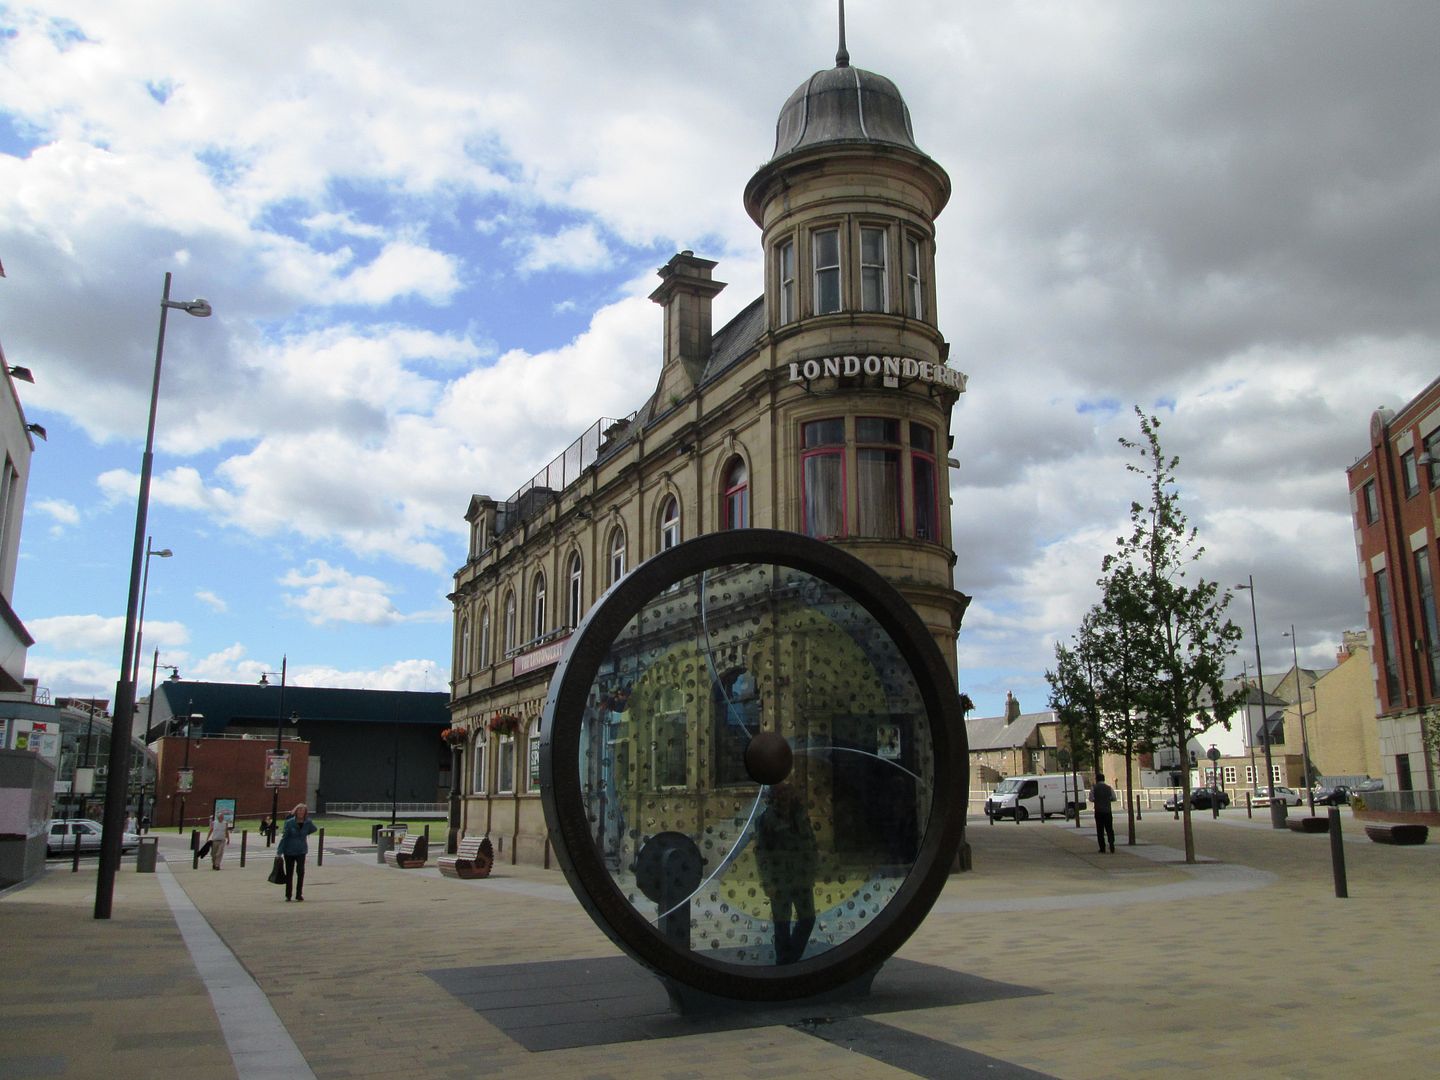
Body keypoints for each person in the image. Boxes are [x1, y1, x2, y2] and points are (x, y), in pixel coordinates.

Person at [754, 783, 818, 965]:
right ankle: (785, 962)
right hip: (779, 879)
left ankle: (788, 959)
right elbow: (762, 853)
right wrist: (767, 882)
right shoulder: (766, 820)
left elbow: (811, 842)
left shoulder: (800, 816)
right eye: (780, 794)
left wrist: (813, 867)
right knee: (782, 923)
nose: (784, 798)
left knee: (808, 918)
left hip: (802, 877)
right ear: (773, 797)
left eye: (787, 793)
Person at [277, 803, 318, 902]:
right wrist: (279, 851)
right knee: (289, 872)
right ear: (296, 812)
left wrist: (305, 833)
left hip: (301, 850)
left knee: (300, 872)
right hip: (289, 851)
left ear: (305, 813)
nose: (301, 813)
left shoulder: (308, 822)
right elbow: (284, 837)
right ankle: (288, 894)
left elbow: (314, 829)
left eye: (303, 811)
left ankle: (299, 894)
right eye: (299, 811)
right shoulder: (289, 822)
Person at [1091, 774, 1117, 854]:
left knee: (1100, 830)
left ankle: (1102, 848)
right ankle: (1111, 843)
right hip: (1107, 811)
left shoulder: (1094, 788)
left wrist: (1097, 800)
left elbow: (1091, 798)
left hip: (1098, 811)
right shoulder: (1109, 788)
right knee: (1109, 828)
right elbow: (1114, 798)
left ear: (1097, 780)